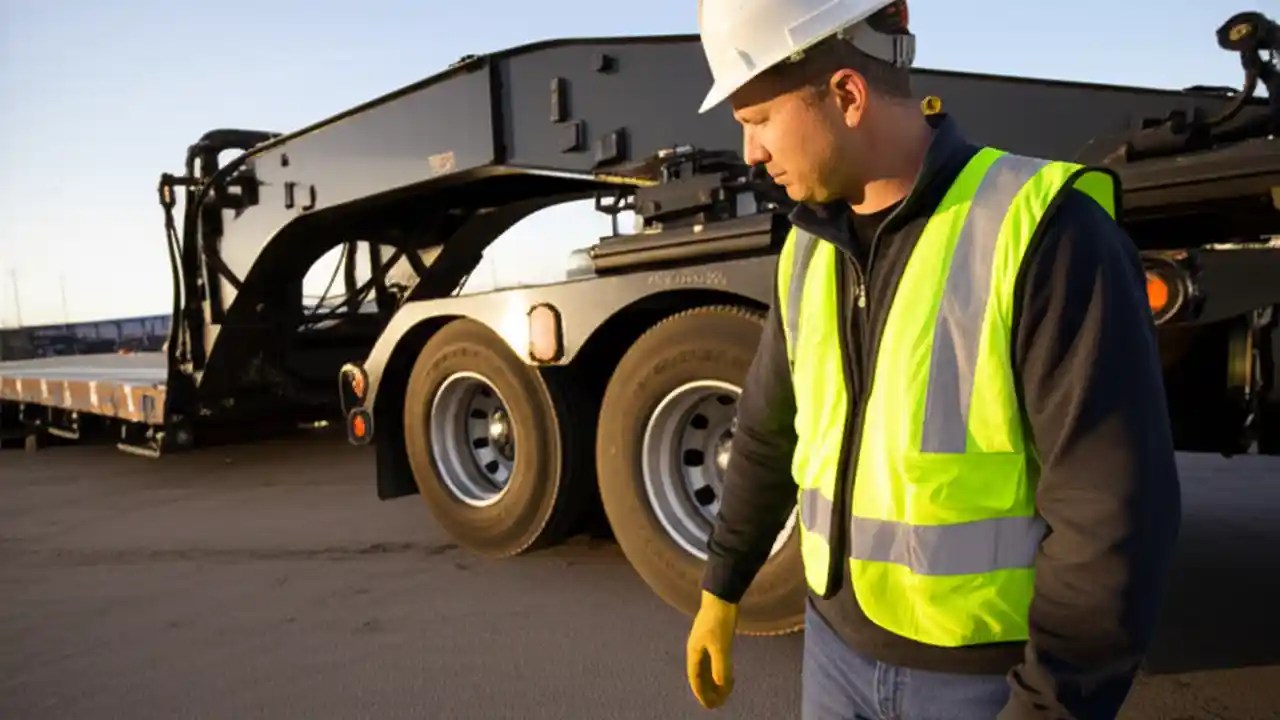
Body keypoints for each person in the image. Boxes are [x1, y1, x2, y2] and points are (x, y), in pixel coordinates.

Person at [683, 1, 1183, 718]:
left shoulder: (1045, 233)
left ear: (848, 96)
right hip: (832, 652)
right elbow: (767, 433)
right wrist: (721, 587)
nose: (750, 153)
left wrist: (1048, 707)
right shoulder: (807, 250)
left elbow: (1111, 515)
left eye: (757, 119)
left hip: (979, 685)